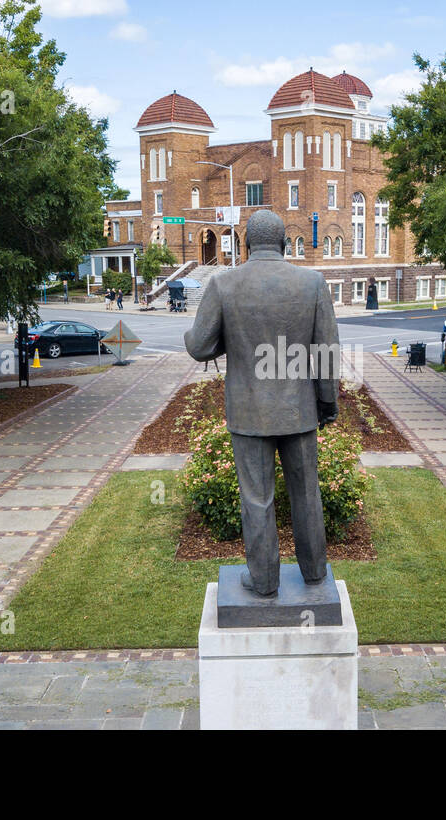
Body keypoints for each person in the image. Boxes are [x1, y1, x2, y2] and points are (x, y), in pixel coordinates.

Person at [184, 209, 339, 598]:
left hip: (249, 412)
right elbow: (326, 353)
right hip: (300, 412)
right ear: (285, 245)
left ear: (246, 245)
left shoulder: (223, 285)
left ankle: (264, 580)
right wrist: (328, 402)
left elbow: (200, 346)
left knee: (257, 498)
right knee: (307, 493)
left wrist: (223, 338)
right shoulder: (313, 283)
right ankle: (316, 572)